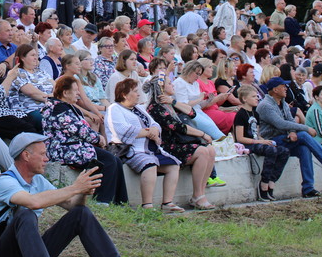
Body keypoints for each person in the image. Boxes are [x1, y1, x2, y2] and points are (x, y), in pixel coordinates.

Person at [0, 132, 153, 257]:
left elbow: (72, 205)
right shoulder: (5, 182)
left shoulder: (38, 181)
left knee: (81, 213)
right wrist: (74, 188)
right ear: (26, 156)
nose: (47, 158)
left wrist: (82, 192)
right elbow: (33, 202)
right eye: (42, 154)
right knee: (26, 215)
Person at [256, 77, 322, 198]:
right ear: (275, 89)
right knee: (304, 135)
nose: (286, 88)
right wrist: (305, 128)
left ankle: (308, 188)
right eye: (283, 86)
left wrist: (292, 131)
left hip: (284, 138)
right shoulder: (265, 105)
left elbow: (290, 121)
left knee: (304, 149)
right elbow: (280, 123)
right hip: (271, 141)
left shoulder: (283, 103)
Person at [42, 75, 128, 205]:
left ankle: (121, 203)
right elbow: (78, 129)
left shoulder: (65, 106)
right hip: (63, 149)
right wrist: (98, 137)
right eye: (76, 90)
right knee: (108, 160)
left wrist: (96, 137)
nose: (78, 94)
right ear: (65, 92)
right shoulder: (57, 108)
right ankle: (102, 201)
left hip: (74, 145)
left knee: (115, 160)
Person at [105, 78, 184, 212]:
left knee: (173, 165)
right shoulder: (114, 109)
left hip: (151, 148)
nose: (138, 94)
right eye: (135, 91)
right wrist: (148, 133)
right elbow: (122, 130)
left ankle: (167, 203)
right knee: (150, 165)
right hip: (132, 150)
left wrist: (152, 131)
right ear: (124, 94)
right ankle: (147, 205)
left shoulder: (139, 108)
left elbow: (155, 124)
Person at [146, 76, 217, 210]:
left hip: (178, 143)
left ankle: (200, 194)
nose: (172, 85)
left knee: (211, 150)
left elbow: (191, 113)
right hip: (166, 146)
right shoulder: (155, 107)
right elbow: (178, 127)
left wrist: (173, 102)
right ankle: (197, 195)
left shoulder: (170, 103)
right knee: (202, 151)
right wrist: (202, 134)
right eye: (169, 83)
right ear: (161, 88)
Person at [233, 84, 289, 201]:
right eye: (254, 96)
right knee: (271, 151)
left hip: (256, 141)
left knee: (284, 151)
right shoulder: (240, 114)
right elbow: (240, 138)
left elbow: (257, 134)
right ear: (244, 99)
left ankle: (272, 181)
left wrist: (265, 141)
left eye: (257, 96)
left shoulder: (256, 114)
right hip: (248, 144)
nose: (257, 98)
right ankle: (264, 183)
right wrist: (259, 142)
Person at [5, 44, 54, 123]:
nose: (36, 58)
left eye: (36, 55)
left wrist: (56, 97)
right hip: (30, 110)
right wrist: (53, 98)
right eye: (32, 55)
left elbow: (56, 86)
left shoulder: (41, 72)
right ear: (22, 58)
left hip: (50, 105)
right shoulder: (16, 73)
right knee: (55, 120)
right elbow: (32, 93)